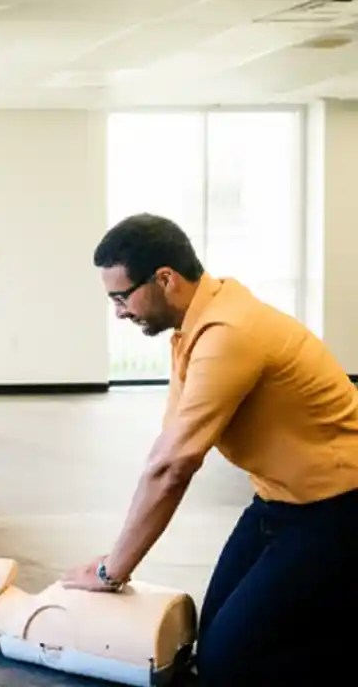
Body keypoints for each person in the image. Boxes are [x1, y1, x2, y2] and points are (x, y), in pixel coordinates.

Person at [63, 213, 358, 685]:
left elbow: (174, 469)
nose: (119, 311)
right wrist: (113, 564)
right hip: (277, 504)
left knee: (233, 666)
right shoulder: (190, 332)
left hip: (338, 507)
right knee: (212, 641)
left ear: (165, 279)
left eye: (121, 296)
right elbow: (167, 450)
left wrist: (111, 570)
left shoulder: (230, 332)